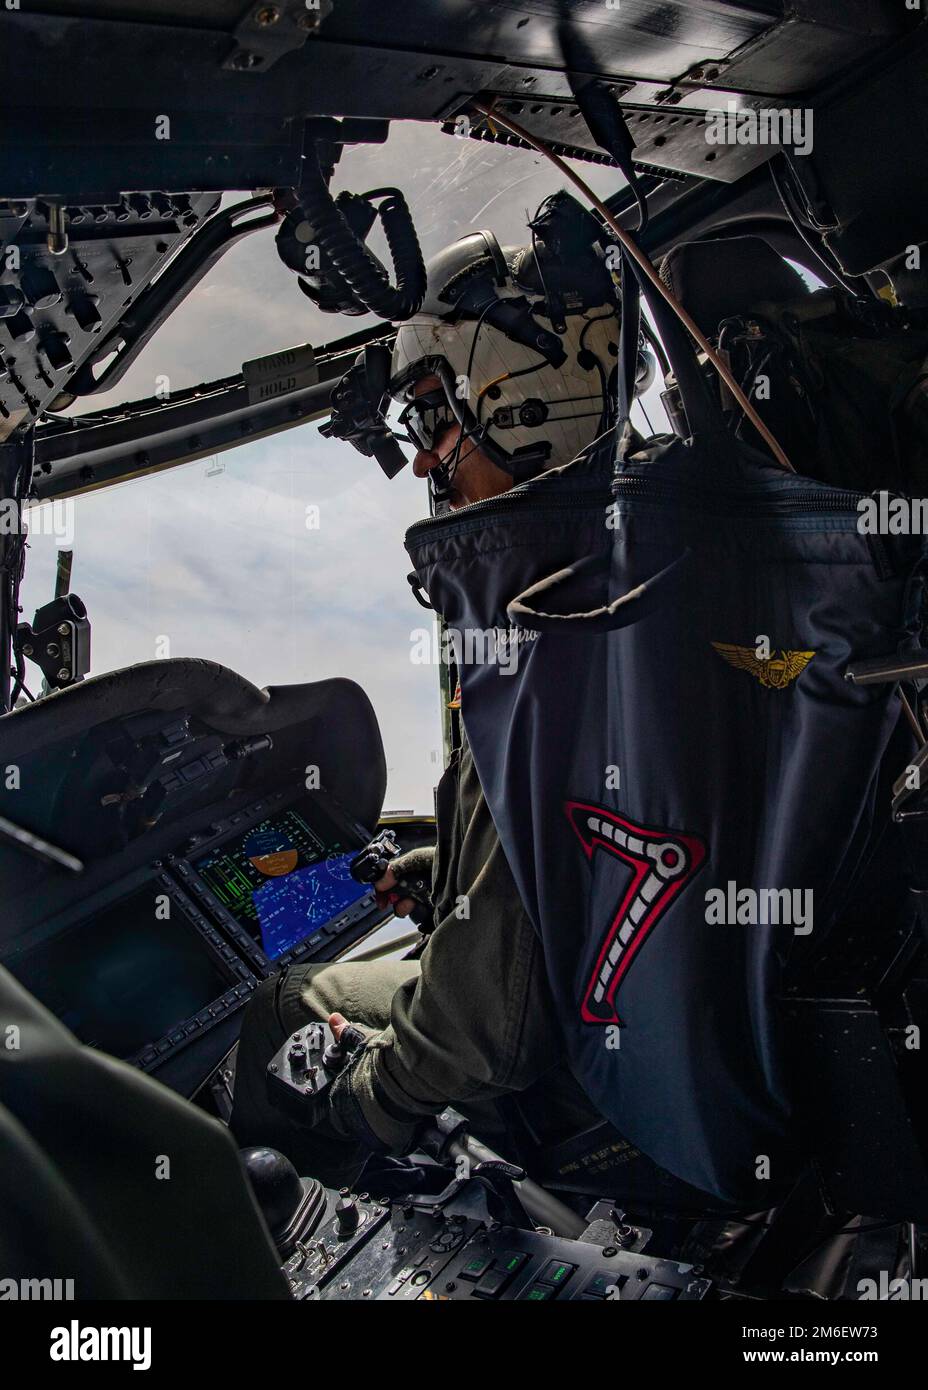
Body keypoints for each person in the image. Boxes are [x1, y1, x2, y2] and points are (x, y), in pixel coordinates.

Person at [230, 195, 649, 1189]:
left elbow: (485, 1034)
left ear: (519, 399)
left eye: (429, 414)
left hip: (567, 1071)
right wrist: (452, 874)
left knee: (277, 1009)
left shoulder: (541, 635)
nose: (419, 457)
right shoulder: (639, 571)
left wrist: (369, 1097)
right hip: (639, 1018)